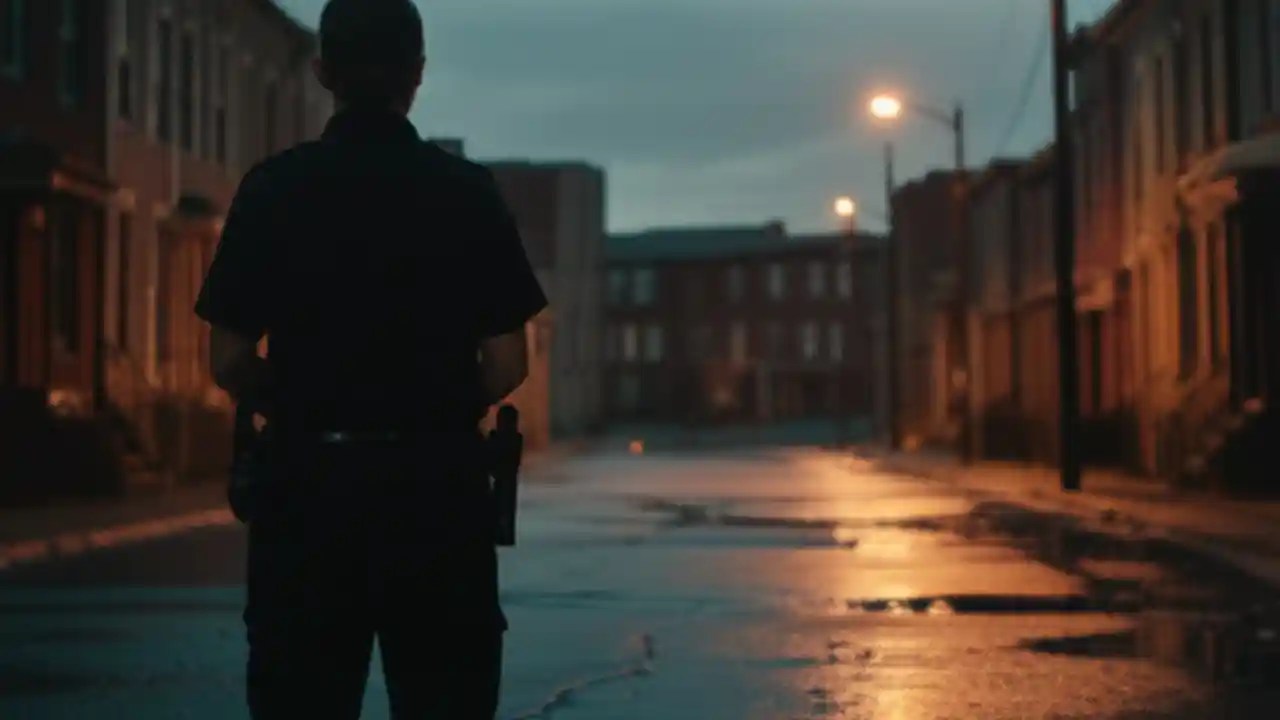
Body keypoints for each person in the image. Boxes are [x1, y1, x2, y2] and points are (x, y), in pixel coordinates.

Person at [194, 0, 548, 716]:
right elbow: (508, 363)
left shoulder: (274, 189)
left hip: (306, 503)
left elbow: (230, 356)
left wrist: (291, 399)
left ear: (323, 71)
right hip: (437, 502)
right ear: (416, 74)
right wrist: (444, 406)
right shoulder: (465, 194)